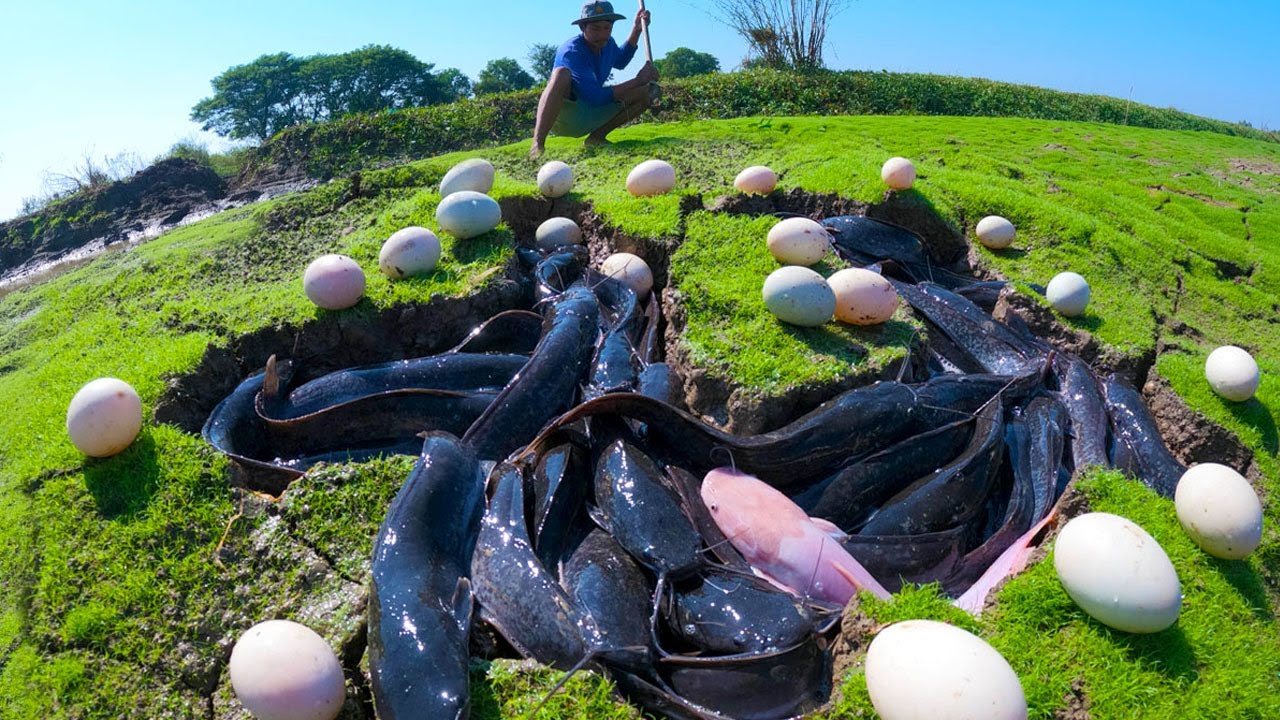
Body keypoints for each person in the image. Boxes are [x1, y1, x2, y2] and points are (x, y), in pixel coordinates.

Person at [530, 1, 660, 158]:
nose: (602, 34)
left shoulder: (608, 44)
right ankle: (537, 144)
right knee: (561, 74)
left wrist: (637, 29)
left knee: (648, 92)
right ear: (583, 27)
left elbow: (621, 60)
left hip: (592, 114)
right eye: (595, 28)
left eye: (607, 28)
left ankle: (596, 138)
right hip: (565, 119)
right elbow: (595, 97)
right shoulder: (571, 51)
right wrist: (637, 80)